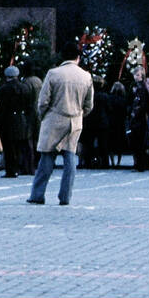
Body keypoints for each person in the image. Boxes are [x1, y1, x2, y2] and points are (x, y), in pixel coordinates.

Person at [27, 40, 94, 206]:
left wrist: (43, 116)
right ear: (78, 57)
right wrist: (79, 115)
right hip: (75, 121)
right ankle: (65, 197)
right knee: (70, 158)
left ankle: (37, 194)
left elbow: (42, 101)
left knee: (47, 158)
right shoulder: (86, 76)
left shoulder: (53, 73)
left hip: (53, 119)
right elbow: (89, 105)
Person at [0, 66, 31, 178]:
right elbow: (29, 105)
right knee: (19, 146)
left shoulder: (4, 89)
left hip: (7, 120)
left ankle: (10, 170)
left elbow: (0, 108)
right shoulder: (24, 88)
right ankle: (19, 167)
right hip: (21, 119)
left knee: (8, 147)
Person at [20, 61, 43, 175]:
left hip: (29, 113)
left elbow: (25, 99)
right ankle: (38, 162)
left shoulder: (25, 82)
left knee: (28, 139)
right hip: (39, 112)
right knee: (37, 138)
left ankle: (29, 164)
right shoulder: (39, 81)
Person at [106, 80, 128, 168]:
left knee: (110, 143)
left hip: (111, 122)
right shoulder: (123, 100)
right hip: (120, 123)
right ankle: (118, 162)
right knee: (119, 144)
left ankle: (112, 161)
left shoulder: (109, 98)